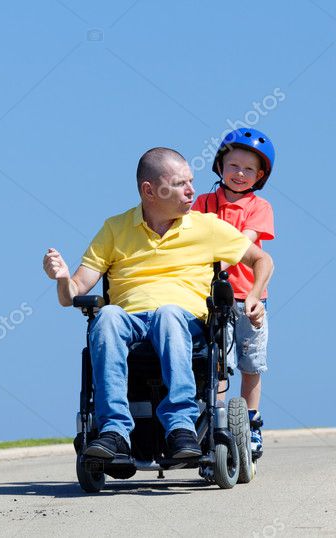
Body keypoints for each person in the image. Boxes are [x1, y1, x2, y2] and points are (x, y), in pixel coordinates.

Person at [43, 147, 273, 460]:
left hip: (185, 324)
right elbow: (72, 294)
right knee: (107, 316)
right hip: (129, 323)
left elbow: (261, 258)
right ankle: (113, 431)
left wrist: (256, 294)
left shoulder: (207, 226)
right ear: (149, 191)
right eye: (180, 184)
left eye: (190, 181)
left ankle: (181, 427)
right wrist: (61, 279)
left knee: (168, 314)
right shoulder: (115, 228)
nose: (192, 189)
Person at [193, 128, 275, 459]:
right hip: (210, 299)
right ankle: (216, 422)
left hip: (248, 297)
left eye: (248, 169)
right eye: (233, 166)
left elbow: (243, 243)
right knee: (216, 363)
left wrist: (217, 261)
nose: (239, 174)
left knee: (250, 363)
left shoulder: (259, 207)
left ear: (260, 176)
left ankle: (251, 425)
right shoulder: (203, 203)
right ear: (220, 166)